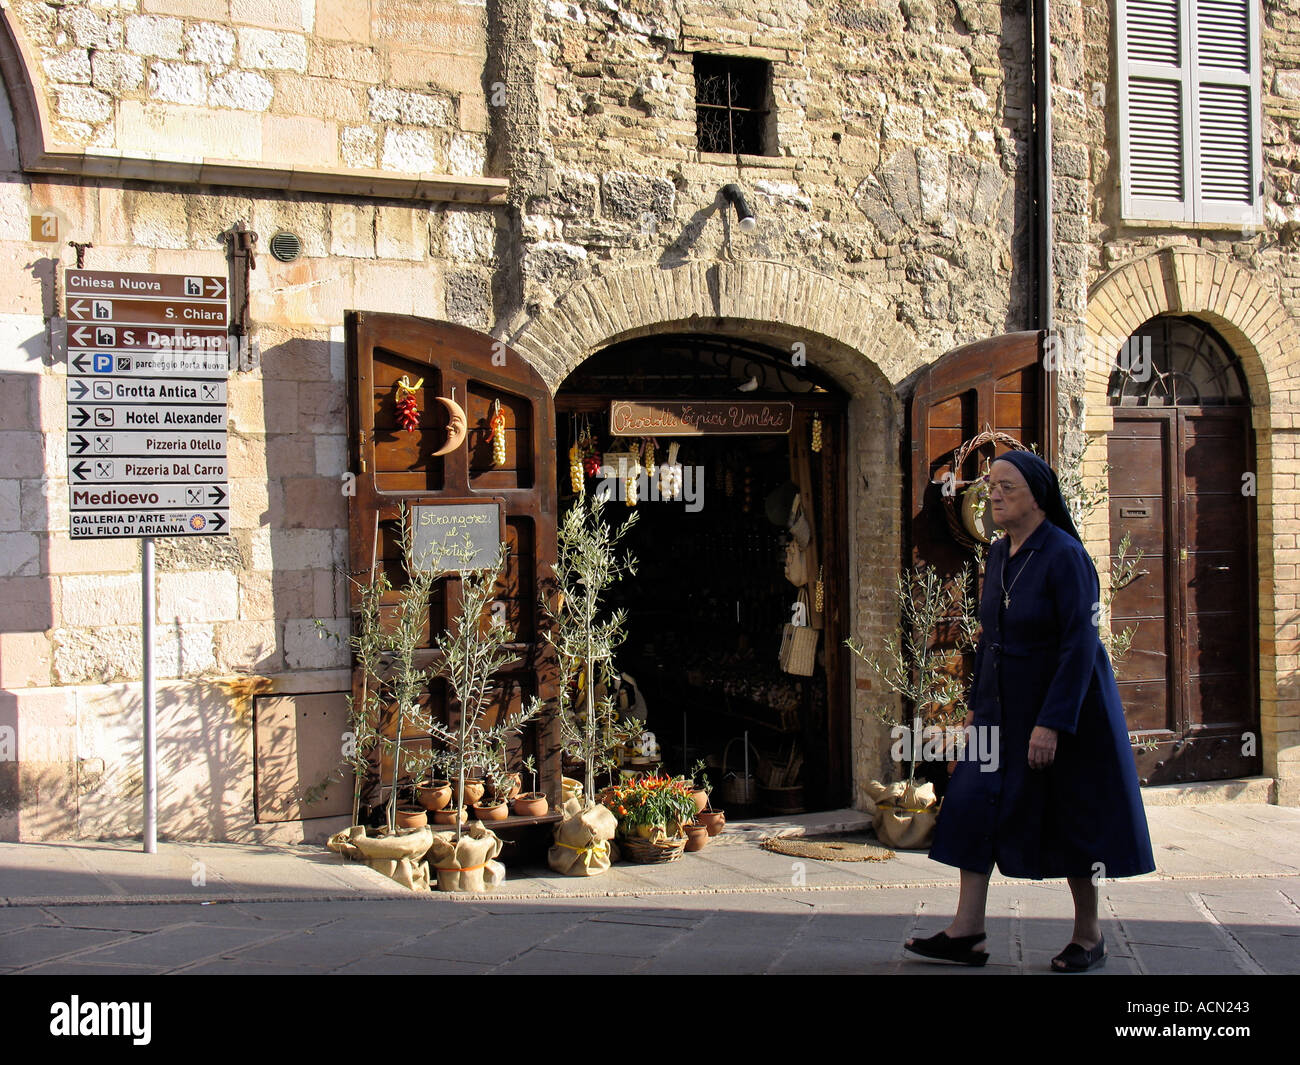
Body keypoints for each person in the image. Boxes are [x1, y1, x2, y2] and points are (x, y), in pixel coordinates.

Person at [904, 450, 1155, 971]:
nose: (994, 494)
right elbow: (989, 639)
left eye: (1007, 487)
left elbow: (1080, 645)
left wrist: (1052, 723)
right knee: (972, 803)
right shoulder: (998, 555)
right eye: (991, 485)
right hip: (1000, 711)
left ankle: (1089, 936)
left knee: (1071, 818)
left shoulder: (1066, 556)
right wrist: (975, 711)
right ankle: (967, 931)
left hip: (1064, 712)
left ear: (1037, 497)